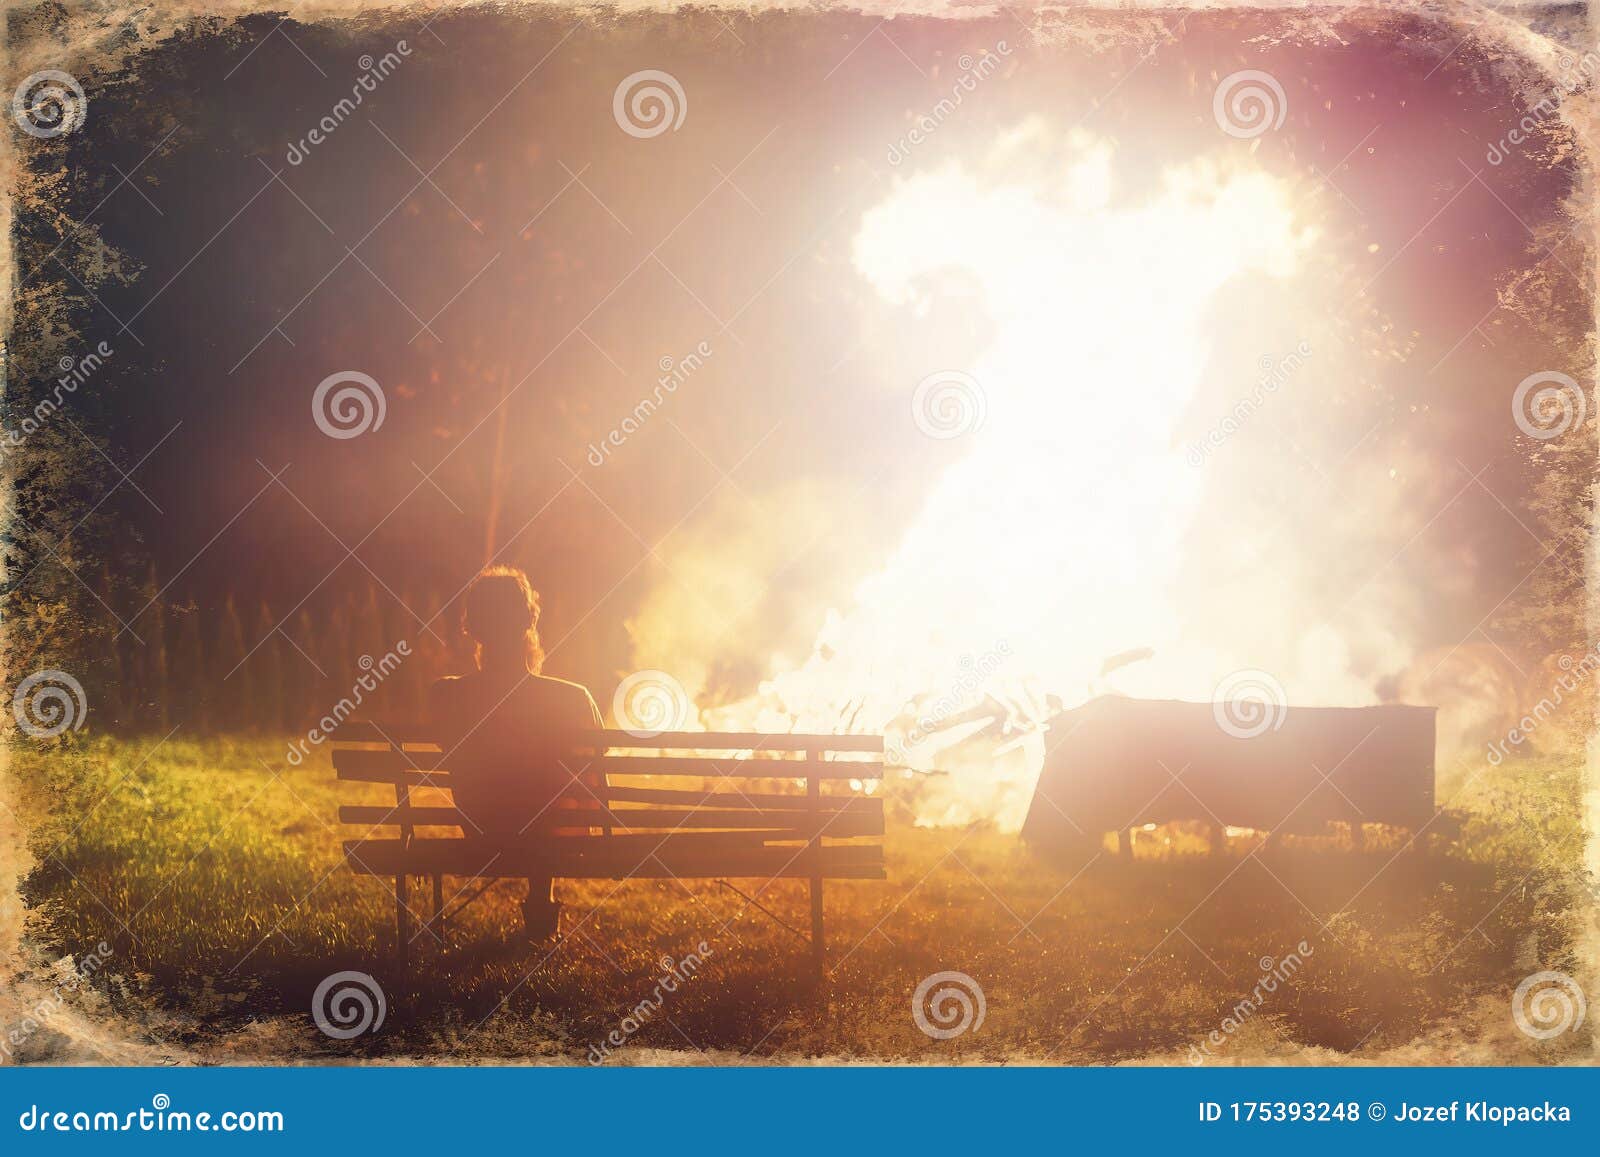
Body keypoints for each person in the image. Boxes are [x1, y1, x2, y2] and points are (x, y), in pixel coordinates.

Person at [429, 565, 603, 939]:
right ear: (529, 621)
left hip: (485, 833)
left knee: (527, 798)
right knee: (548, 802)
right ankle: (542, 903)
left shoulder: (445, 696)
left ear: (471, 628)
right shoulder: (572, 698)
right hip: (554, 838)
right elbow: (594, 787)